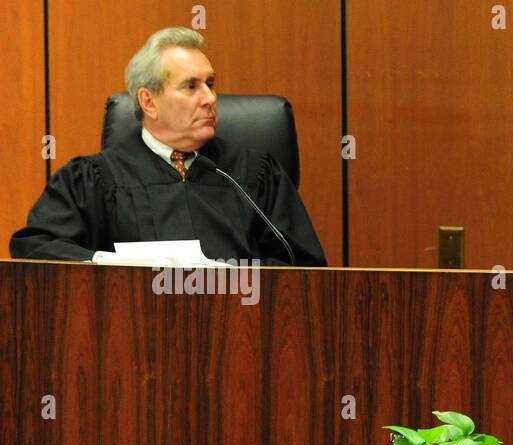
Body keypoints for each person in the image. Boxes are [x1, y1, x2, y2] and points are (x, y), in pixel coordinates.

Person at [9, 27, 326, 266]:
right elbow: (35, 246)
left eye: (210, 84)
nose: (210, 99)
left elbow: (302, 265)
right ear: (149, 102)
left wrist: (233, 279)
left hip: (241, 333)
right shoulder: (94, 179)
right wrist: (111, 265)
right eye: (191, 86)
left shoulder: (253, 175)